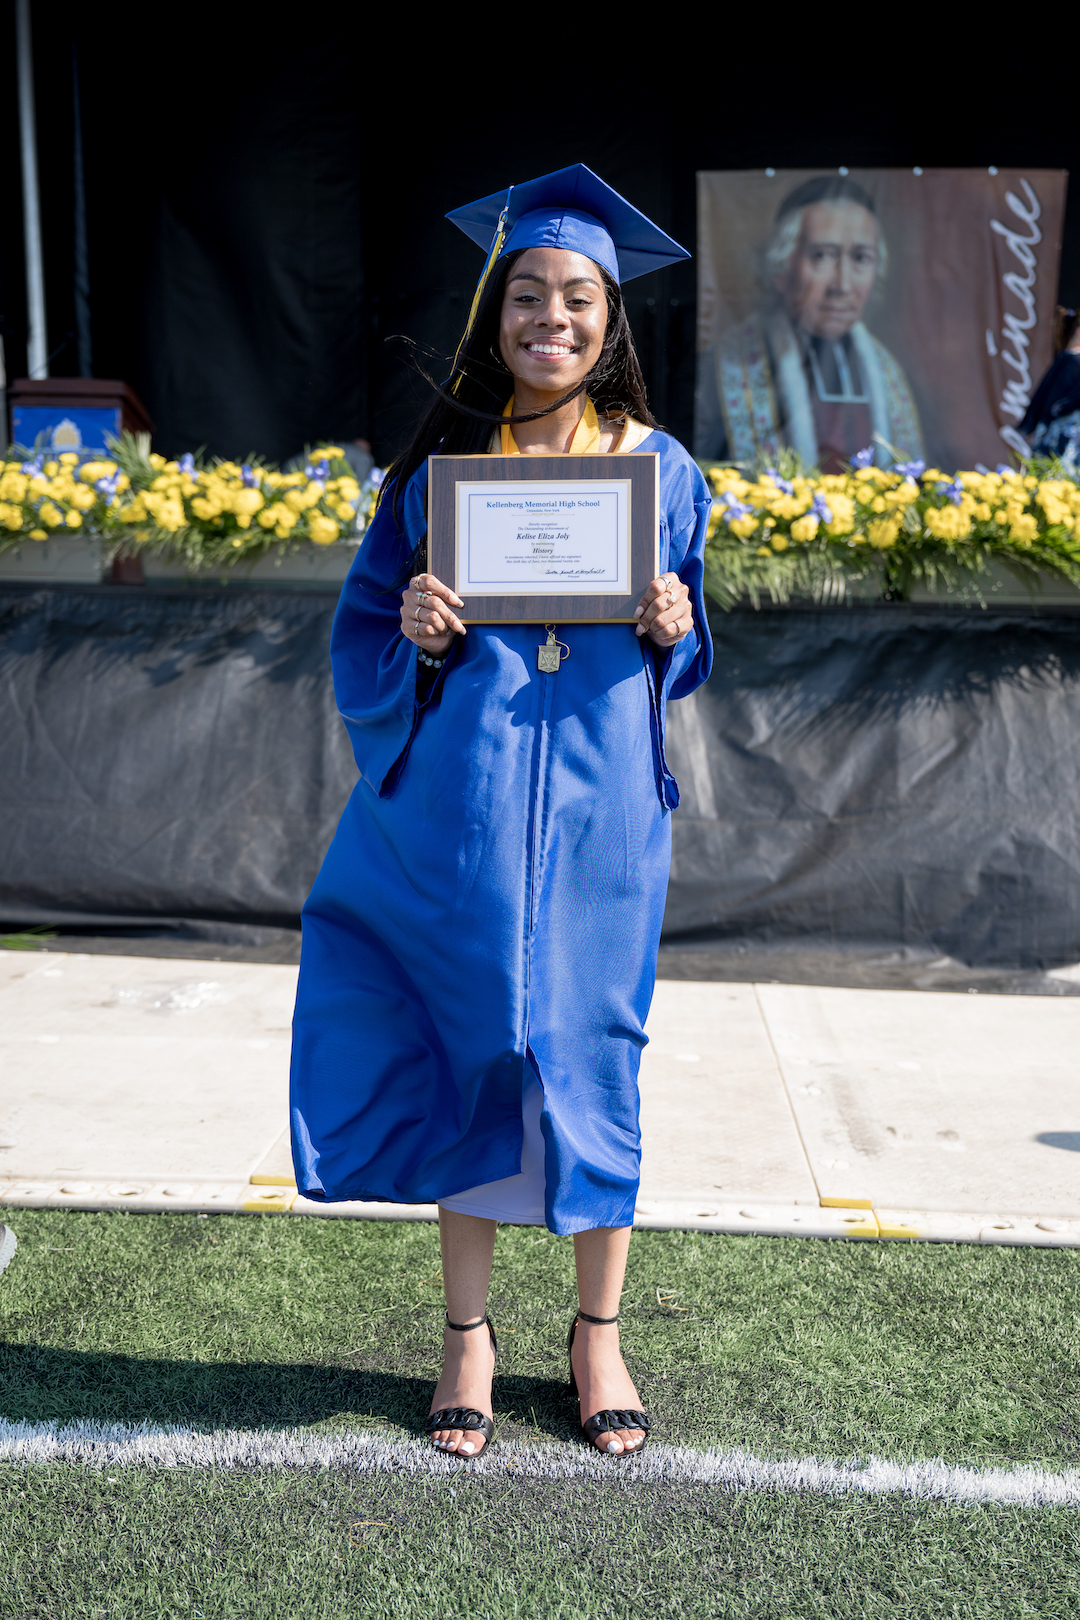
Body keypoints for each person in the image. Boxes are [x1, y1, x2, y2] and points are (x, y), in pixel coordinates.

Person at [289, 165, 712, 1460]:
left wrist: (677, 626)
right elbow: (367, 633)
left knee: (596, 1047)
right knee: (472, 1039)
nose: (553, 319)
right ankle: (468, 1336)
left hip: (596, 823)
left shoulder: (658, 467)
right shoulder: (438, 473)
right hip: (469, 817)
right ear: (496, 317)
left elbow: (689, 633)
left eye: (577, 298)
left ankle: (598, 1333)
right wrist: (413, 629)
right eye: (527, 295)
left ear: (608, 319)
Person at [711, 176, 924, 471]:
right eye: (822, 256)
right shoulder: (720, 367)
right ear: (782, 267)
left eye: (861, 258)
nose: (842, 284)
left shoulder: (894, 377)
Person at [1020, 307, 1080, 464]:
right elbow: (1058, 406)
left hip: (1051, 440)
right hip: (1062, 445)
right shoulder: (1073, 361)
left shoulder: (1066, 360)